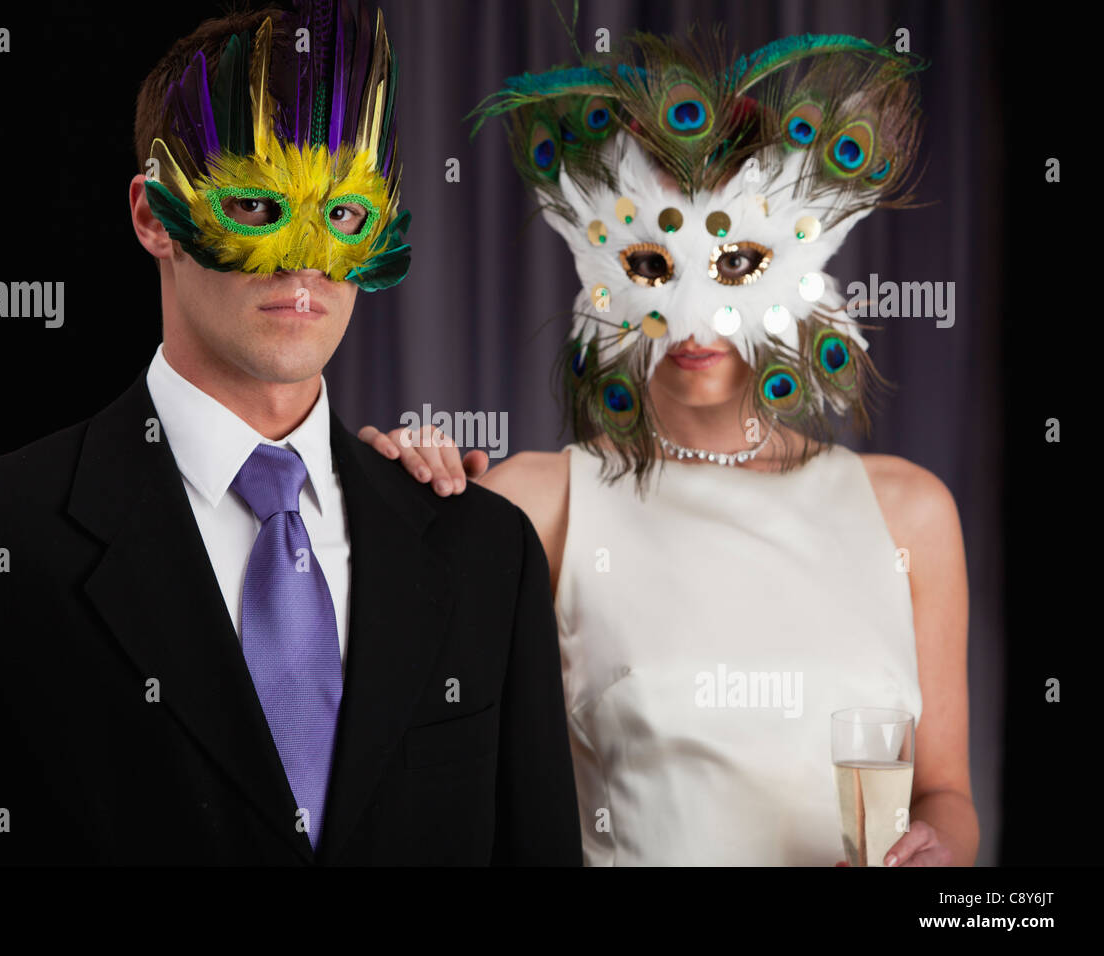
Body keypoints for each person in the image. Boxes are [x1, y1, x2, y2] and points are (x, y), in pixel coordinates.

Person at [0, 2, 581, 866]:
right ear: (152, 216)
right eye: (255, 204)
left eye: (347, 217)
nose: (305, 260)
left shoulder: (482, 553)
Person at [360, 28, 978, 866]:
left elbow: (945, 789)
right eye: (654, 263)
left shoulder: (910, 512)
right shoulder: (544, 501)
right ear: (600, 264)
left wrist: (940, 848)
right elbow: (389, 712)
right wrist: (385, 492)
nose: (693, 312)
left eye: (734, 263)